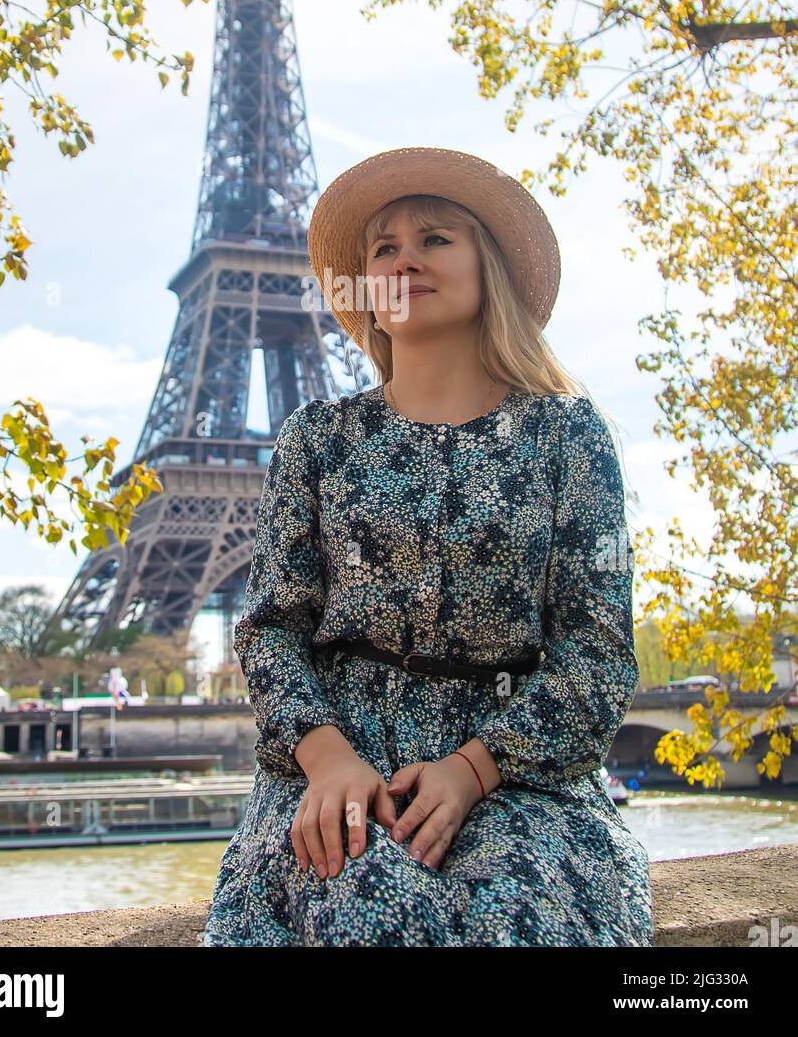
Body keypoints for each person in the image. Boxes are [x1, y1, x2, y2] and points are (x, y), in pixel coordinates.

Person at [201, 145, 655, 947]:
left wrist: (476, 766)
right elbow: (271, 626)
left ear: (491, 272)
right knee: (356, 894)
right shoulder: (317, 439)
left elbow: (599, 647)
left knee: (520, 916)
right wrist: (326, 757)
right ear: (367, 295)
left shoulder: (567, 435)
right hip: (344, 763)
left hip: (517, 770)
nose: (405, 256)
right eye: (384, 248)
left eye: (435, 238)